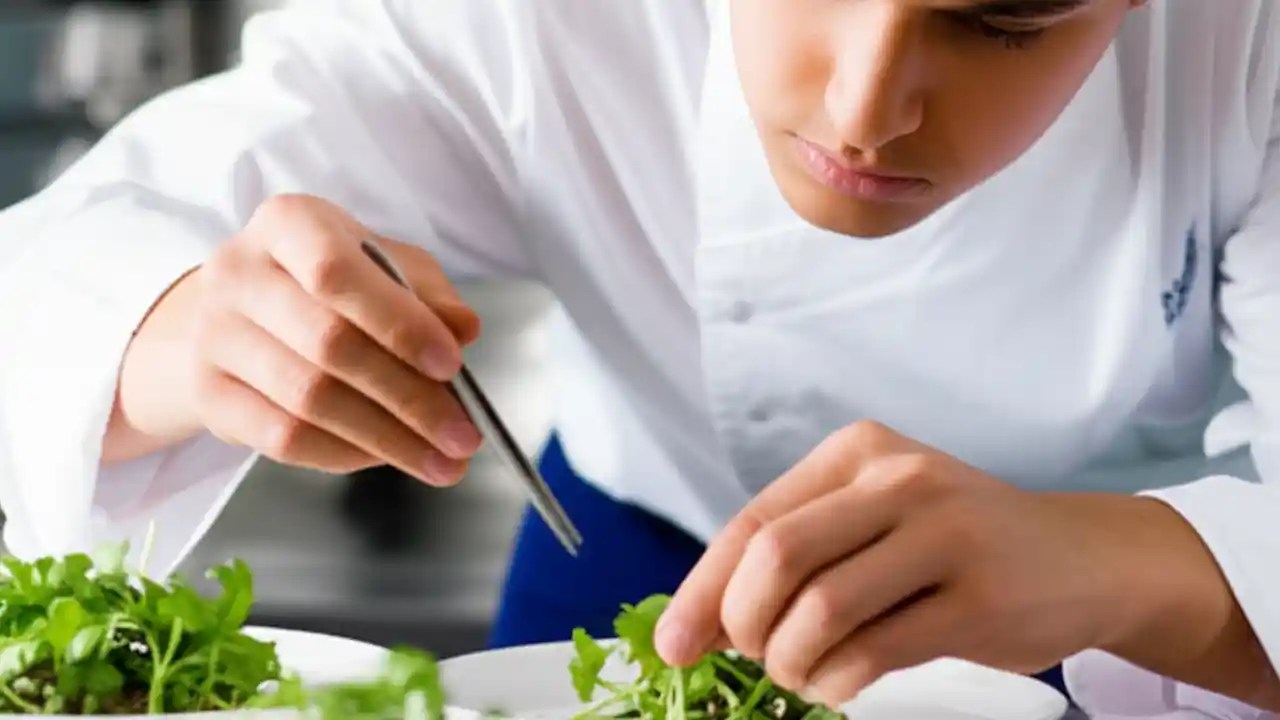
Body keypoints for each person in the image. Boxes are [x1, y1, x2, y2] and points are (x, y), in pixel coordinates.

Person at [1, 0, 1279, 715]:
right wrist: (177, 325)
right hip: (633, 564)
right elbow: (69, 260)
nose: (862, 109)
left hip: (1155, 609)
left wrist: (1141, 570)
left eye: (1001, 22)